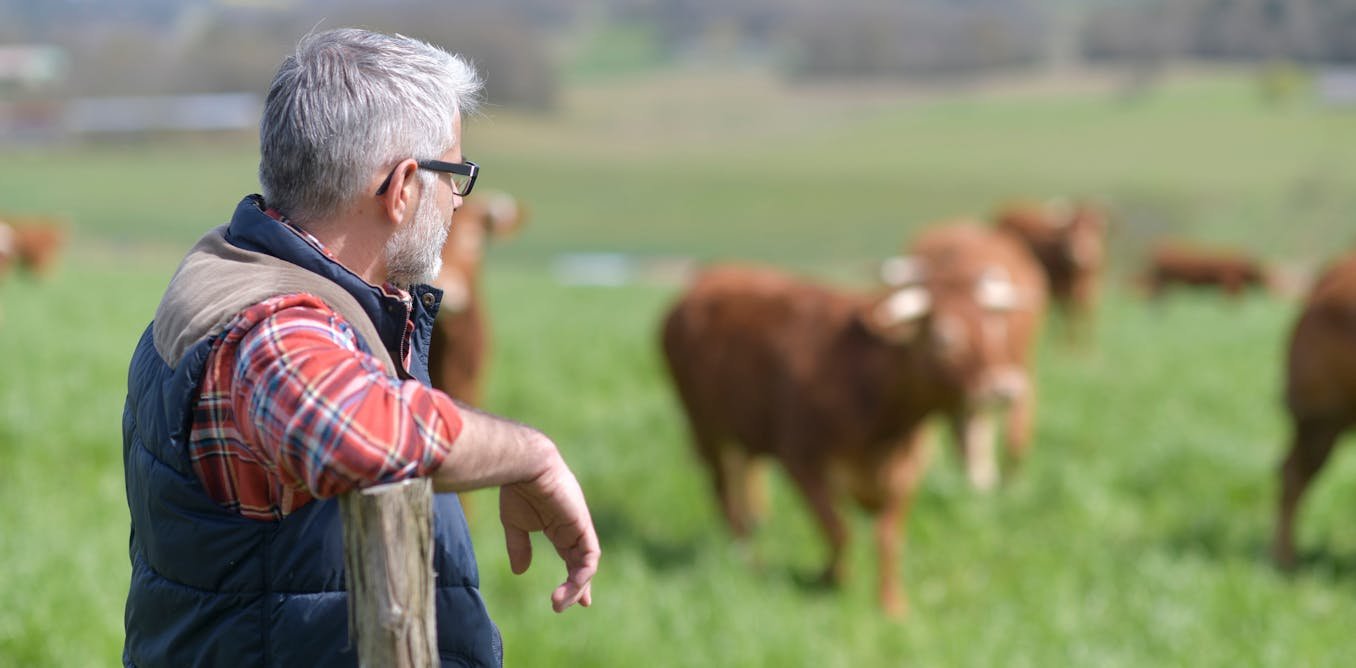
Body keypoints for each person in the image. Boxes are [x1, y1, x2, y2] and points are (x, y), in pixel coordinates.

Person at [121, 28, 599, 667]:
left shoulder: (250, 267)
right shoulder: (269, 324)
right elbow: (358, 430)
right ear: (402, 187)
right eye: (456, 175)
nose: (458, 203)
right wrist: (530, 456)